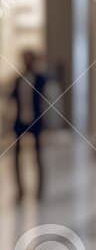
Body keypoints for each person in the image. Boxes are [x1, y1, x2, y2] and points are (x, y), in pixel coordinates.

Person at [9, 50, 49, 201]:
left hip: (36, 122)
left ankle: (39, 191)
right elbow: (12, 98)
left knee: (38, 157)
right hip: (20, 122)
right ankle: (20, 191)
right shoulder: (18, 79)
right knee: (16, 158)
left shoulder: (41, 79)